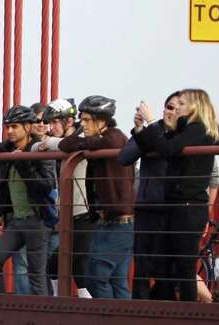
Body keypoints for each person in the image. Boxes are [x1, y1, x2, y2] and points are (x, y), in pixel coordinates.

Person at [133, 88, 219, 302]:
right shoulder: (185, 130)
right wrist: (139, 128)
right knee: (164, 263)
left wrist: (153, 121)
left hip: (188, 206)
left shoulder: (199, 129)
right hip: (175, 205)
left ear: (194, 106)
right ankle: (168, 309)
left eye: (182, 104)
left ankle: (187, 312)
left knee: (184, 265)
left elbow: (166, 148)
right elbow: (154, 145)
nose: (177, 108)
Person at [59, 96, 135, 299]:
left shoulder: (115, 137)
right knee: (117, 280)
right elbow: (66, 144)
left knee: (96, 277)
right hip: (108, 220)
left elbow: (74, 143)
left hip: (119, 222)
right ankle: (123, 324)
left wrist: (82, 141)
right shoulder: (100, 140)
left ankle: (111, 320)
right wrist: (83, 140)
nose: (81, 124)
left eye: (86, 120)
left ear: (101, 122)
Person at [0, 105, 56, 296]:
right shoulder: (8, 150)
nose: (10, 131)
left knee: (36, 275)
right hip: (16, 220)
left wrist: (23, 163)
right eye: (8, 127)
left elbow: (47, 185)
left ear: (28, 127)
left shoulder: (40, 150)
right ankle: (0, 309)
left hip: (37, 220)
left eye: (14, 126)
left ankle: (43, 320)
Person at [120, 92, 180, 299]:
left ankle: (165, 312)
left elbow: (168, 150)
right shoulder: (150, 132)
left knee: (166, 267)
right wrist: (139, 130)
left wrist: (151, 130)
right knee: (142, 267)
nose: (170, 112)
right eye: (168, 107)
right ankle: (140, 312)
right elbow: (125, 157)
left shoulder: (184, 134)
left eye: (175, 108)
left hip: (171, 208)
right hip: (146, 206)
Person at [39, 98, 92, 296]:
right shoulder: (67, 142)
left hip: (85, 213)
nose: (50, 128)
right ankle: (63, 303)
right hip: (71, 214)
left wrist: (50, 143)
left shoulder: (82, 138)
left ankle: (90, 309)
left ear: (69, 122)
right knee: (59, 265)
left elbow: (74, 144)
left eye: (54, 122)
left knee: (77, 265)